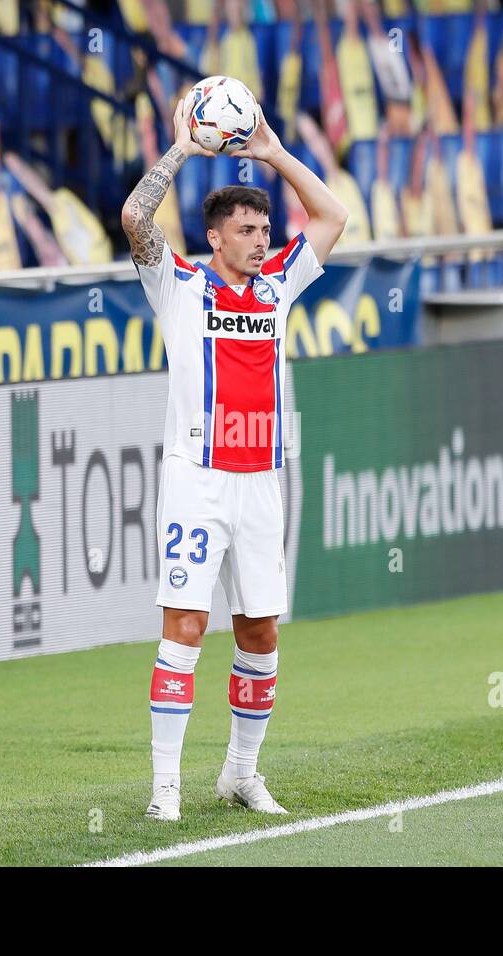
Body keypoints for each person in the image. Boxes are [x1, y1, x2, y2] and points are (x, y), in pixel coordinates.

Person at [120, 98, 348, 822]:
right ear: (214, 236)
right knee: (184, 627)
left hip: (261, 482)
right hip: (197, 477)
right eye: (246, 230)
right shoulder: (180, 286)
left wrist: (276, 152)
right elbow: (133, 219)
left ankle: (240, 775)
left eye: (264, 228)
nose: (260, 238)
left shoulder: (278, 285)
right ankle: (164, 789)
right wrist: (183, 149)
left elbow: (335, 217)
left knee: (260, 632)